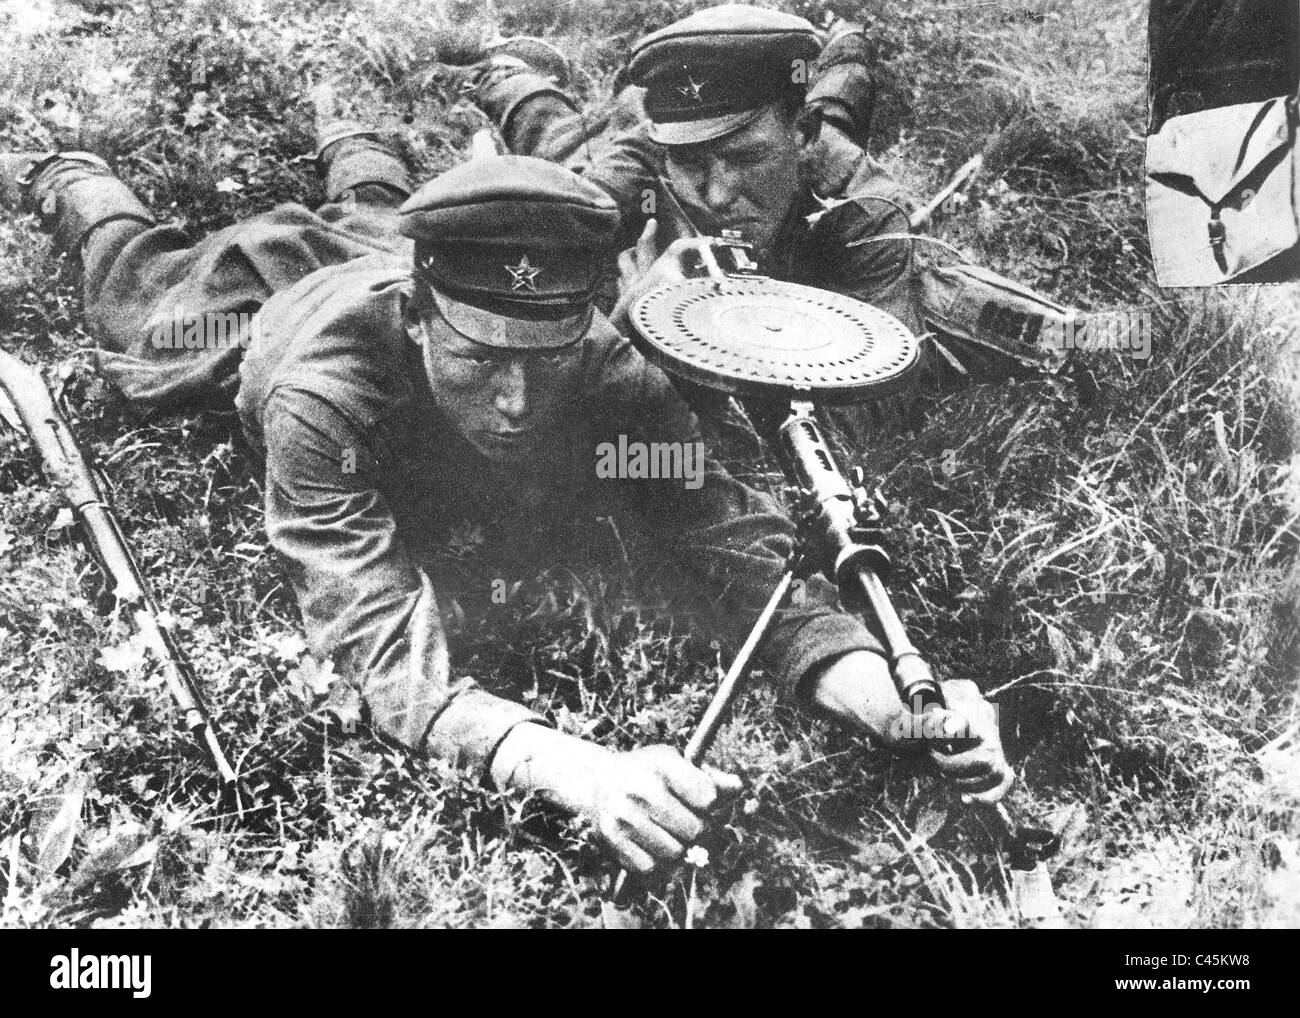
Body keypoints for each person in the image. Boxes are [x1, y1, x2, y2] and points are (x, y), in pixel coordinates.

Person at [234, 154, 1013, 874]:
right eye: (478, 361)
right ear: (416, 319)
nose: (516, 402)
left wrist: (899, 709)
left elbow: (735, 544)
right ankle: (105, 188)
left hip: (401, 258)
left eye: (546, 360)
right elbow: (382, 648)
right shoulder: (325, 404)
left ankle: (359, 151)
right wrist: (585, 774)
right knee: (138, 286)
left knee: (368, 207)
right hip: (287, 302)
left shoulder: (611, 376)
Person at [460, 6, 920, 337]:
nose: (716, 196)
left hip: (813, 160)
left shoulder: (866, 209)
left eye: (745, 159)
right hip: (702, 143)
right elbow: (533, 266)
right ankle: (505, 72)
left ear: (801, 135)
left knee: (838, 104)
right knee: (560, 145)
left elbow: (879, 401)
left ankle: (848, 41)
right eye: (692, 162)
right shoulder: (648, 161)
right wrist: (631, 326)